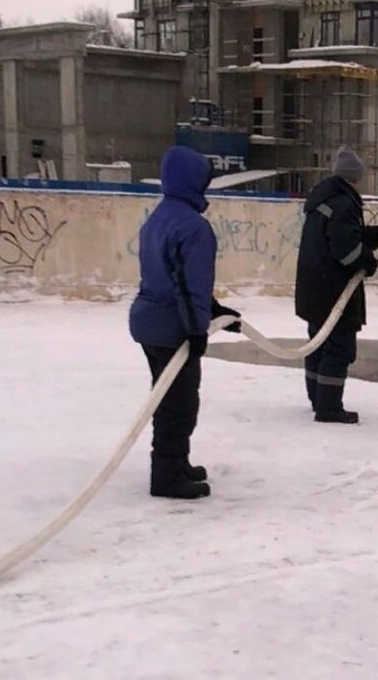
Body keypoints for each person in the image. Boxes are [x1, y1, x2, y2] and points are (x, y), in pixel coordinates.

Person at [129, 146, 241, 499]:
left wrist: (217, 314)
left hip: (151, 321)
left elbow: (175, 278)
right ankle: (166, 475)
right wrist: (196, 330)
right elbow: (187, 284)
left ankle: (176, 462)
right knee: (178, 404)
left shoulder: (159, 217)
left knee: (172, 399)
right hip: (171, 326)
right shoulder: (193, 227)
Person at [295, 147, 378, 424]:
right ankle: (329, 408)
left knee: (318, 343)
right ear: (355, 176)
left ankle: (318, 398)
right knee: (338, 348)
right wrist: (367, 262)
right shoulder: (343, 202)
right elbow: (346, 249)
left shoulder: (325, 199)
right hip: (333, 290)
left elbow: (353, 235)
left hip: (315, 288)